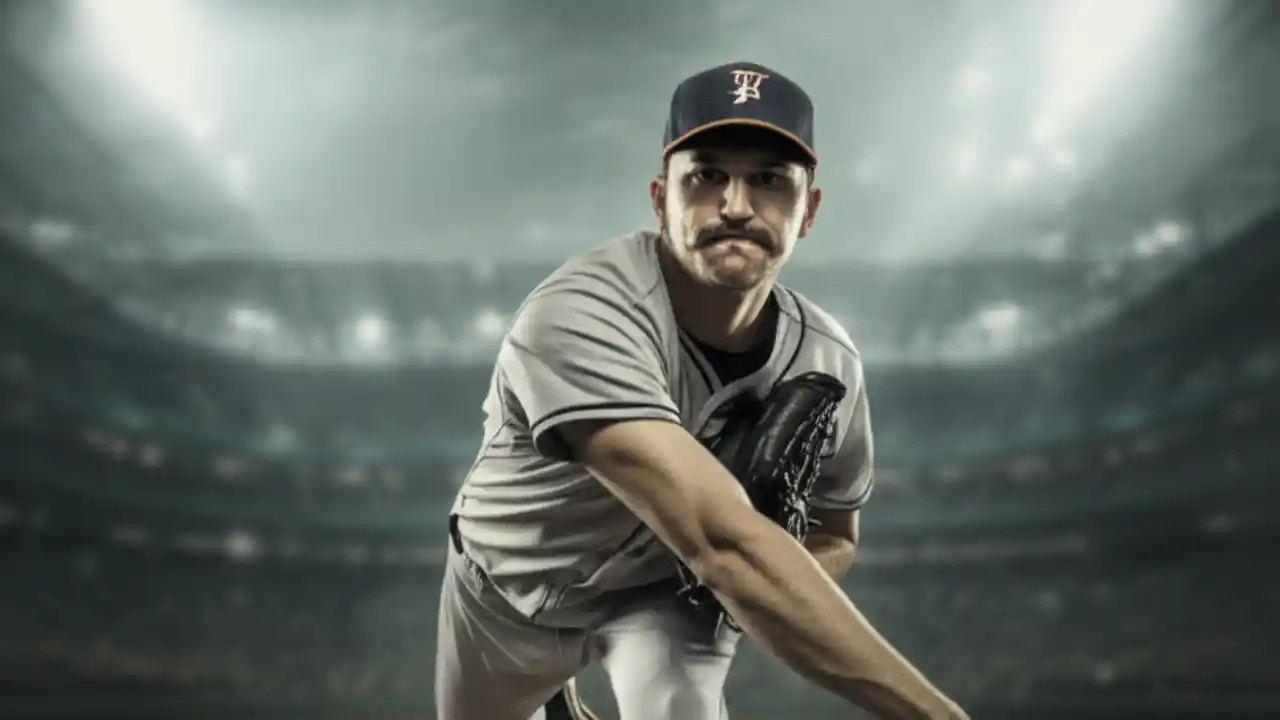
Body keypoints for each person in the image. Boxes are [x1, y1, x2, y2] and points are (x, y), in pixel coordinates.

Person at [435, 61, 969, 720]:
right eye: (707, 176)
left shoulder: (828, 360)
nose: (736, 206)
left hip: (669, 595)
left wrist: (773, 572)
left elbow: (835, 532)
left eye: (770, 180)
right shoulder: (580, 312)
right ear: (662, 199)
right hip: (507, 586)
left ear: (809, 211)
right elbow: (723, 544)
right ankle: (554, 702)